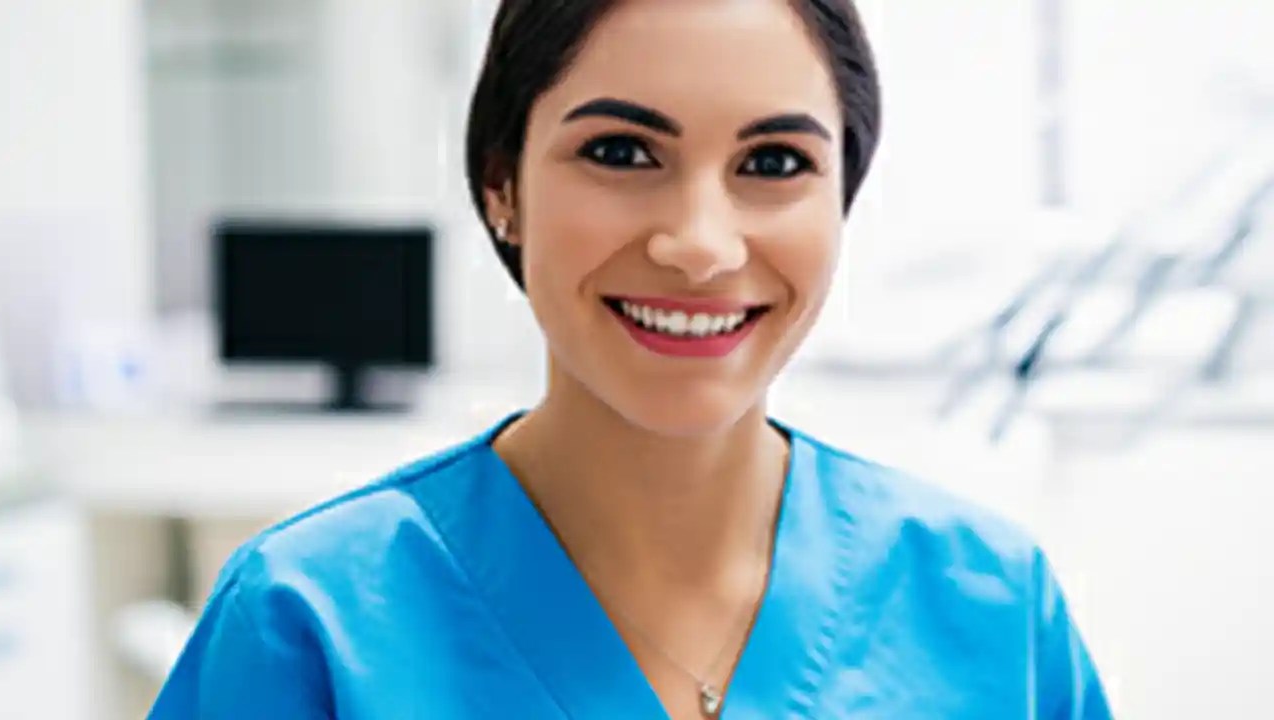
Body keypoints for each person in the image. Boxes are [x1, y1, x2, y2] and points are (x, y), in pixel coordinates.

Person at [149, 0, 1112, 718]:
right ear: (502, 186)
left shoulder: (990, 607)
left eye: (774, 163)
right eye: (620, 152)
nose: (700, 244)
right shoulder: (309, 626)